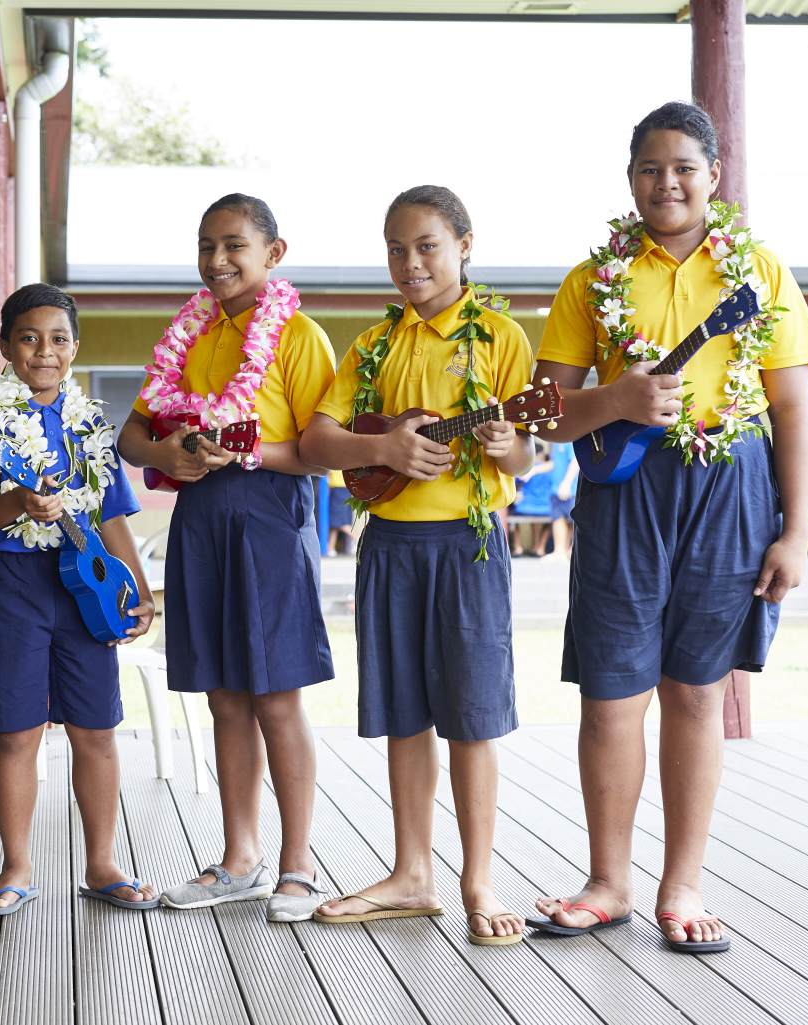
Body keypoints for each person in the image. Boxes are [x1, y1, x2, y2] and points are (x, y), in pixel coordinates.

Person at [525, 103, 808, 954]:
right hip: (625, 491)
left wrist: (795, 532)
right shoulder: (594, 278)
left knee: (697, 691)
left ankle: (682, 883)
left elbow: (794, 410)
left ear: (713, 176)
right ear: (630, 181)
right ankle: (606, 881)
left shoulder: (757, 271)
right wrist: (616, 400)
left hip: (730, 490)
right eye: (651, 169)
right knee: (612, 692)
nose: (668, 183)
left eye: (684, 167)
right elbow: (549, 412)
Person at [300, 184, 534, 946]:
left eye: (427, 245)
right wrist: (381, 448)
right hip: (390, 546)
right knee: (405, 713)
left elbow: (530, 443)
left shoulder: (499, 336)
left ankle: (477, 876)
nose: (410, 262)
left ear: (465, 243)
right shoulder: (372, 348)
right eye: (396, 248)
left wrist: (511, 445)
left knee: (470, 716)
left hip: (467, 546)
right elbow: (317, 443)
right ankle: (410, 871)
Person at [118, 194, 337, 923]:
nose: (217, 260)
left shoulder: (299, 335)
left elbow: (317, 448)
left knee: (276, 695)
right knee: (223, 695)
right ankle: (239, 857)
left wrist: (237, 449)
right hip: (202, 518)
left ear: (274, 253)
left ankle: (298, 864)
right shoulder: (189, 335)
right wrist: (171, 454)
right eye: (206, 245)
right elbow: (133, 436)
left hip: (272, 518)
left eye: (234, 245)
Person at [0, 283, 158, 915]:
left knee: (95, 729)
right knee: (17, 733)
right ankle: (17, 866)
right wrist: (18, 501)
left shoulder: (91, 422)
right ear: (6, 347)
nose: (46, 351)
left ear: (76, 346)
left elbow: (115, 514)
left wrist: (139, 589)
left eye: (59, 338)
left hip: (88, 591)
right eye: (30, 338)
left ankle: (102, 863)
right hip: (13, 586)